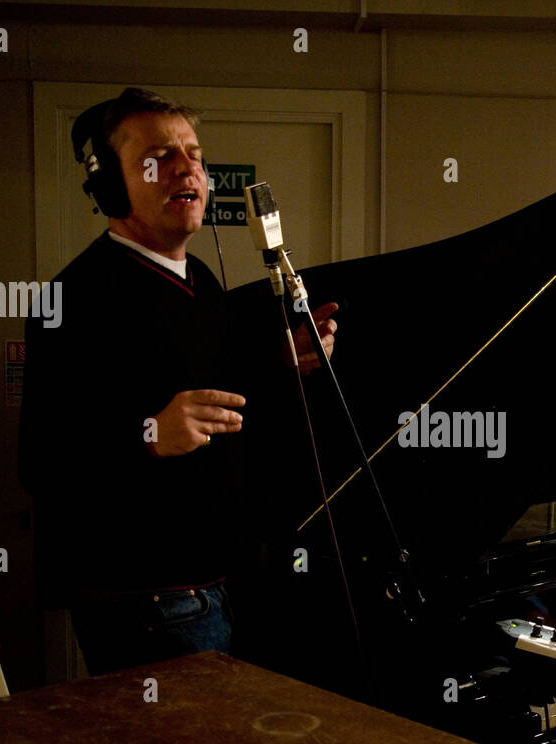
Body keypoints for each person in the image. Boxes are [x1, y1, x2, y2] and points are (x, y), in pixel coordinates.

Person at [19, 87, 338, 675]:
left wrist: (281, 367)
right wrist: (145, 433)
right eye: (159, 156)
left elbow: (215, 409)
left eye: (192, 153)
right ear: (110, 186)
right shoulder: (71, 299)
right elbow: (41, 459)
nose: (186, 166)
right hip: (151, 606)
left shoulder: (203, 281)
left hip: (228, 583)